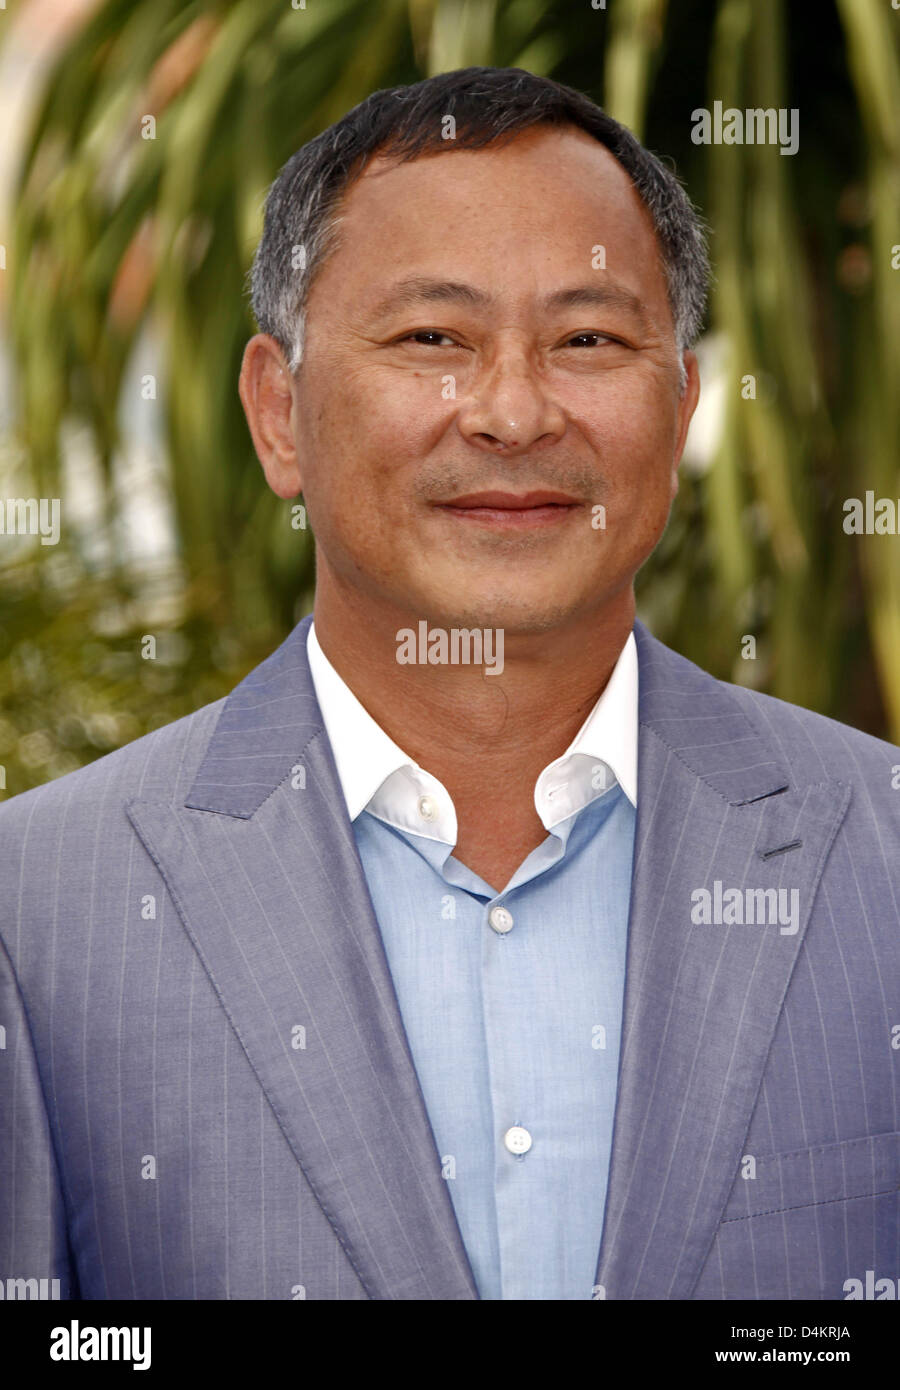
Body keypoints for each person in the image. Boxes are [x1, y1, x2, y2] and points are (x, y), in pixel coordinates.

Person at [1, 66, 898, 1303]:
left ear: (682, 404)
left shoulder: (880, 850)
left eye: (588, 337)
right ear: (278, 415)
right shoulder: (42, 905)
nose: (514, 411)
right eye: (433, 338)